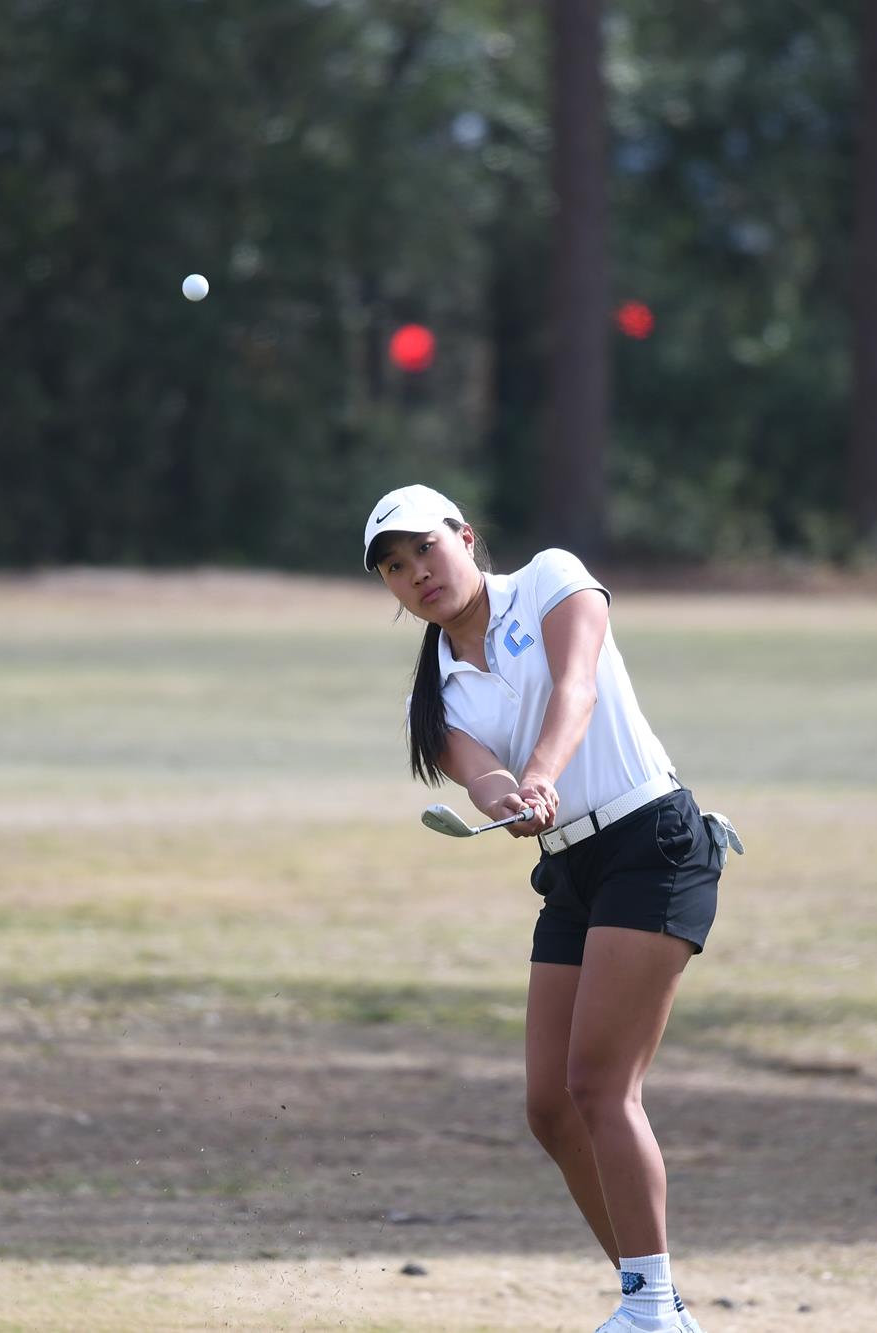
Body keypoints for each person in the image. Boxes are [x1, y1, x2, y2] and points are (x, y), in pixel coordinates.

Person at [363, 483, 741, 1333]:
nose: (415, 572)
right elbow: (483, 776)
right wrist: (510, 799)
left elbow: (578, 689)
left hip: (652, 841)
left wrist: (540, 774)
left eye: (426, 548)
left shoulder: (550, 579)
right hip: (572, 869)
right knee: (549, 1106)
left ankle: (649, 1312)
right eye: (394, 566)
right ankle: (660, 1302)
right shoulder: (440, 700)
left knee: (601, 1085)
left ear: (465, 536)